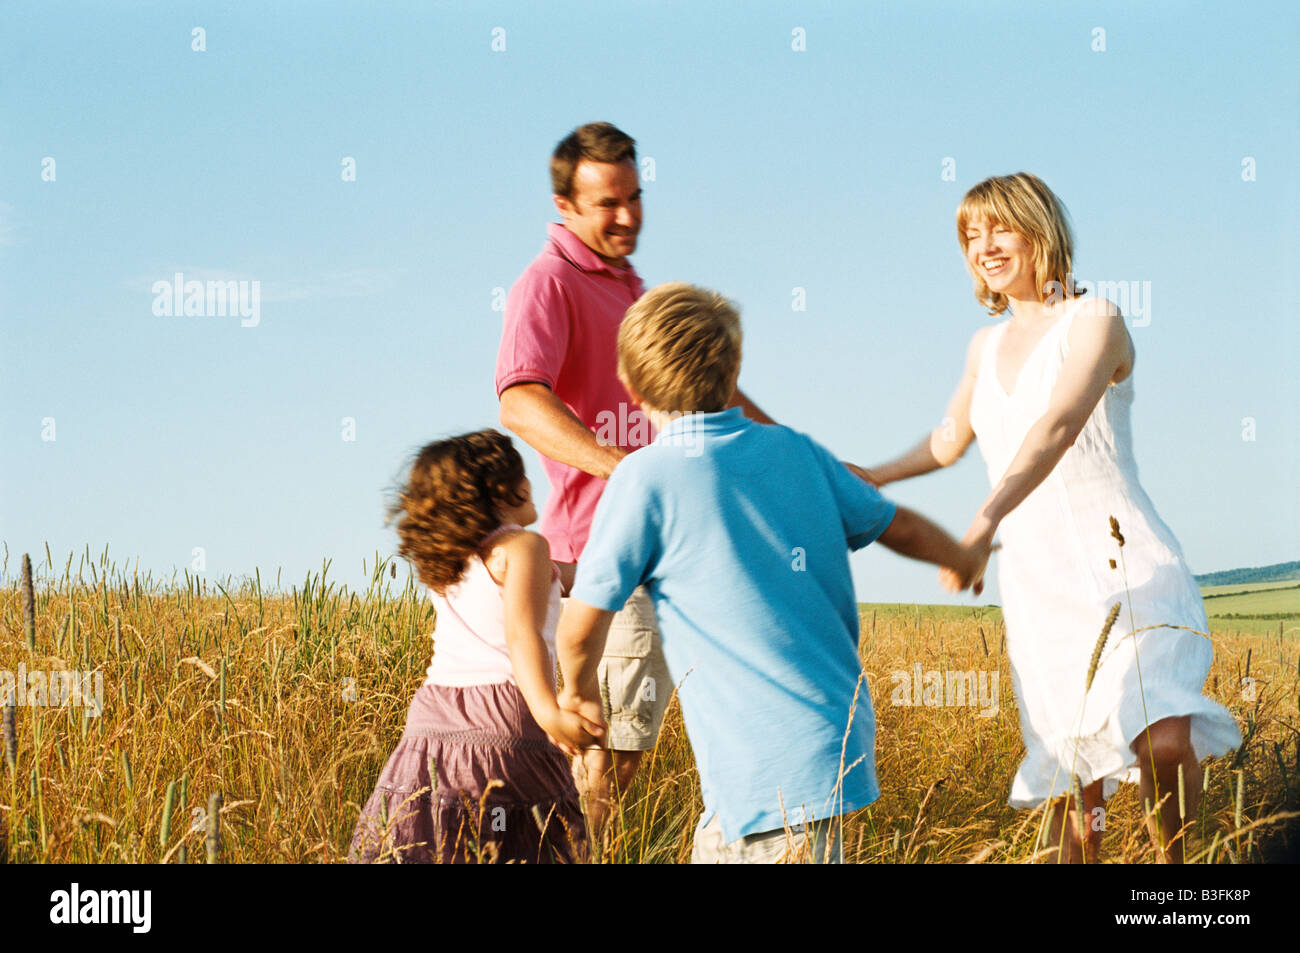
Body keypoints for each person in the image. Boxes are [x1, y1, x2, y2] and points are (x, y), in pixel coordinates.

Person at [862, 172, 1241, 863]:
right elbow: (949, 439)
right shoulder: (984, 347)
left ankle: (1183, 885)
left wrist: (981, 523)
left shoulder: (1095, 319)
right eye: (970, 236)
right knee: (1074, 786)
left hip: (1125, 562)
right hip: (1040, 584)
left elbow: (1058, 424)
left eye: (998, 227)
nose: (984, 246)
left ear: (1041, 228)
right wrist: (870, 474)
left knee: (1162, 737)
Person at [555, 282, 988, 863]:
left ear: (630, 387)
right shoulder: (798, 452)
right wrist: (961, 558)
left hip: (767, 774)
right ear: (734, 375)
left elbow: (581, 626)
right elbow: (900, 526)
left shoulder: (643, 478)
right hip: (810, 751)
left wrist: (576, 695)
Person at [495, 122, 777, 839]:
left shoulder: (637, 293)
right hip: (605, 548)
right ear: (564, 205)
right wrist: (625, 469)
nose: (626, 217)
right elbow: (519, 399)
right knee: (605, 751)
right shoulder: (549, 281)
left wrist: (795, 453)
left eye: (634, 197)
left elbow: (714, 393)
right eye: (605, 203)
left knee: (633, 746)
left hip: (673, 548)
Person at [348, 430, 602, 864]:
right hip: (506, 712)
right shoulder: (525, 546)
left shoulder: (454, 558)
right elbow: (521, 634)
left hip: (433, 718)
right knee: (530, 842)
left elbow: (572, 576)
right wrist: (549, 713)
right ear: (511, 487)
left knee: (440, 843)